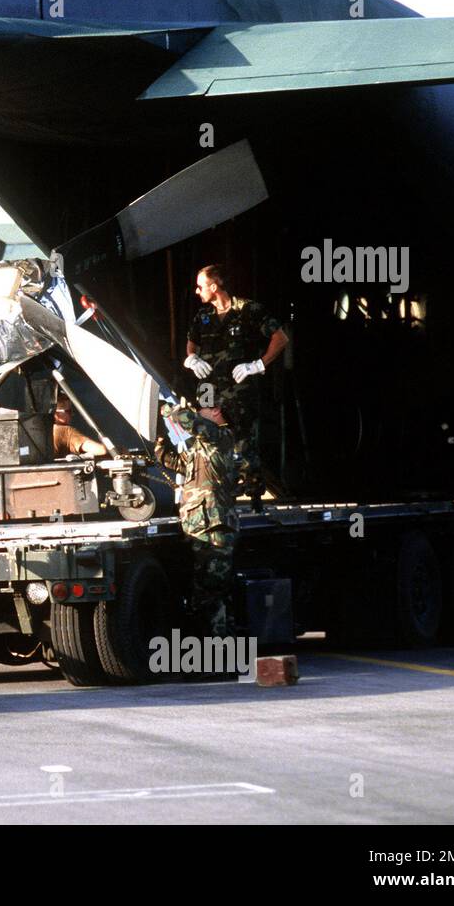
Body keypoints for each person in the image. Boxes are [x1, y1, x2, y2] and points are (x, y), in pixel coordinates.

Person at [183, 264, 288, 508]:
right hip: (208, 388)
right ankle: (214, 494)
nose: (197, 291)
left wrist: (258, 365)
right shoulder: (203, 316)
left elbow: (281, 338)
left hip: (238, 390)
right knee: (207, 437)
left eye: (201, 286)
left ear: (214, 286)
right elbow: (191, 344)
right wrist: (191, 358)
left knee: (242, 441)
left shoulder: (248, 310)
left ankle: (252, 496)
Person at [153, 403, 239, 641]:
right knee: (209, 596)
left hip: (214, 531)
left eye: (204, 408)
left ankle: (217, 660)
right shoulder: (199, 449)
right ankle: (221, 659)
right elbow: (170, 460)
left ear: (216, 412)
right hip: (201, 530)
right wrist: (160, 438)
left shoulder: (221, 437)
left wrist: (167, 408)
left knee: (211, 596)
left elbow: (191, 421)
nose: (198, 410)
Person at [52, 392, 108, 458]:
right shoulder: (65, 431)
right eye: (68, 411)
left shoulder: (41, 432)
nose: (72, 414)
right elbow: (101, 450)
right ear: (56, 414)